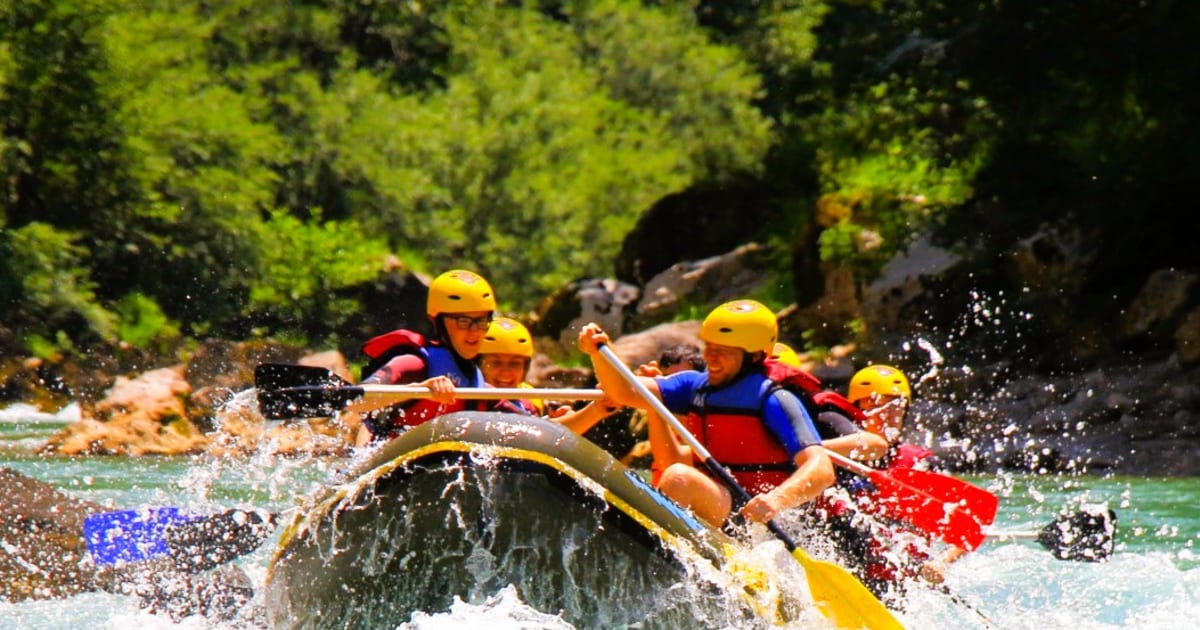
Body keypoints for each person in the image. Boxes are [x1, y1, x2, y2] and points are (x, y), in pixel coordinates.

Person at [577, 299, 834, 528]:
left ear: (754, 356)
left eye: (724, 351)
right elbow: (625, 392)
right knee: (675, 477)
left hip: (758, 517)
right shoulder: (693, 385)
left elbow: (821, 468)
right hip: (719, 501)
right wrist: (599, 352)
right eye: (709, 347)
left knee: (679, 478)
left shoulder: (775, 400)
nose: (711, 358)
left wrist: (777, 499)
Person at [356, 269, 529, 442]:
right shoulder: (414, 363)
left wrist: (556, 420)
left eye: (481, 321)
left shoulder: (481, 387)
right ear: (437, 321)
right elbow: (356, 402)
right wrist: (419, 390)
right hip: (396, 457)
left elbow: (530, 426)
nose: (475, 331)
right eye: (464, 321)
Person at [477, 316, 619, 434]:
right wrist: (597, 410)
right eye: (495, 363)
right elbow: (533, 433)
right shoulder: (476, 395)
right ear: (479, 365)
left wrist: (559, 418)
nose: (506, 372)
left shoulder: (530, 397)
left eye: (515, 364)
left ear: (525, 368)